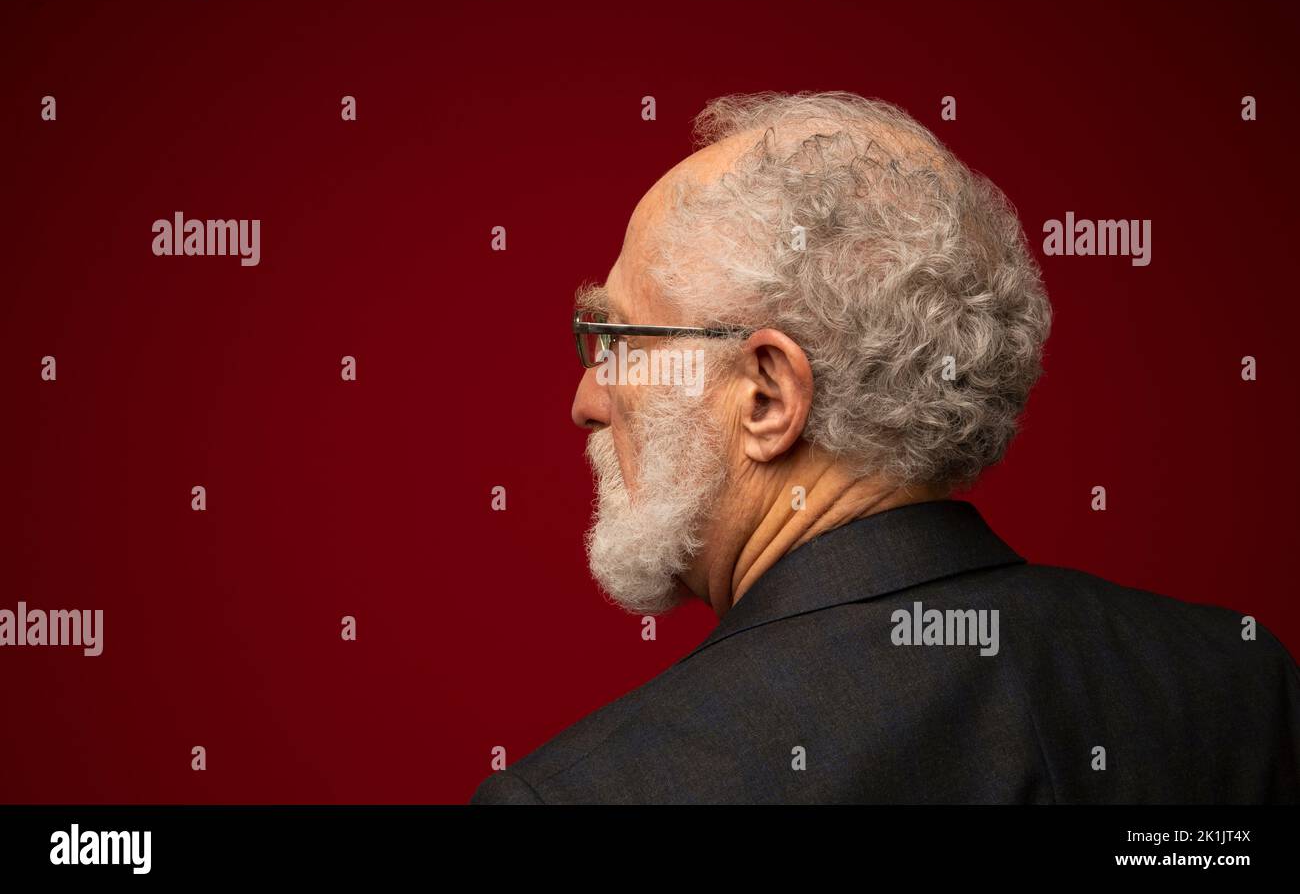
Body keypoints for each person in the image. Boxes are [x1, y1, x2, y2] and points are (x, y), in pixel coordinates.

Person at [471, 90, 1300, 803]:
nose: (588, 399)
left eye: (619, 341)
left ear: (767, 394)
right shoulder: (1242, 685)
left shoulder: (594, 793)